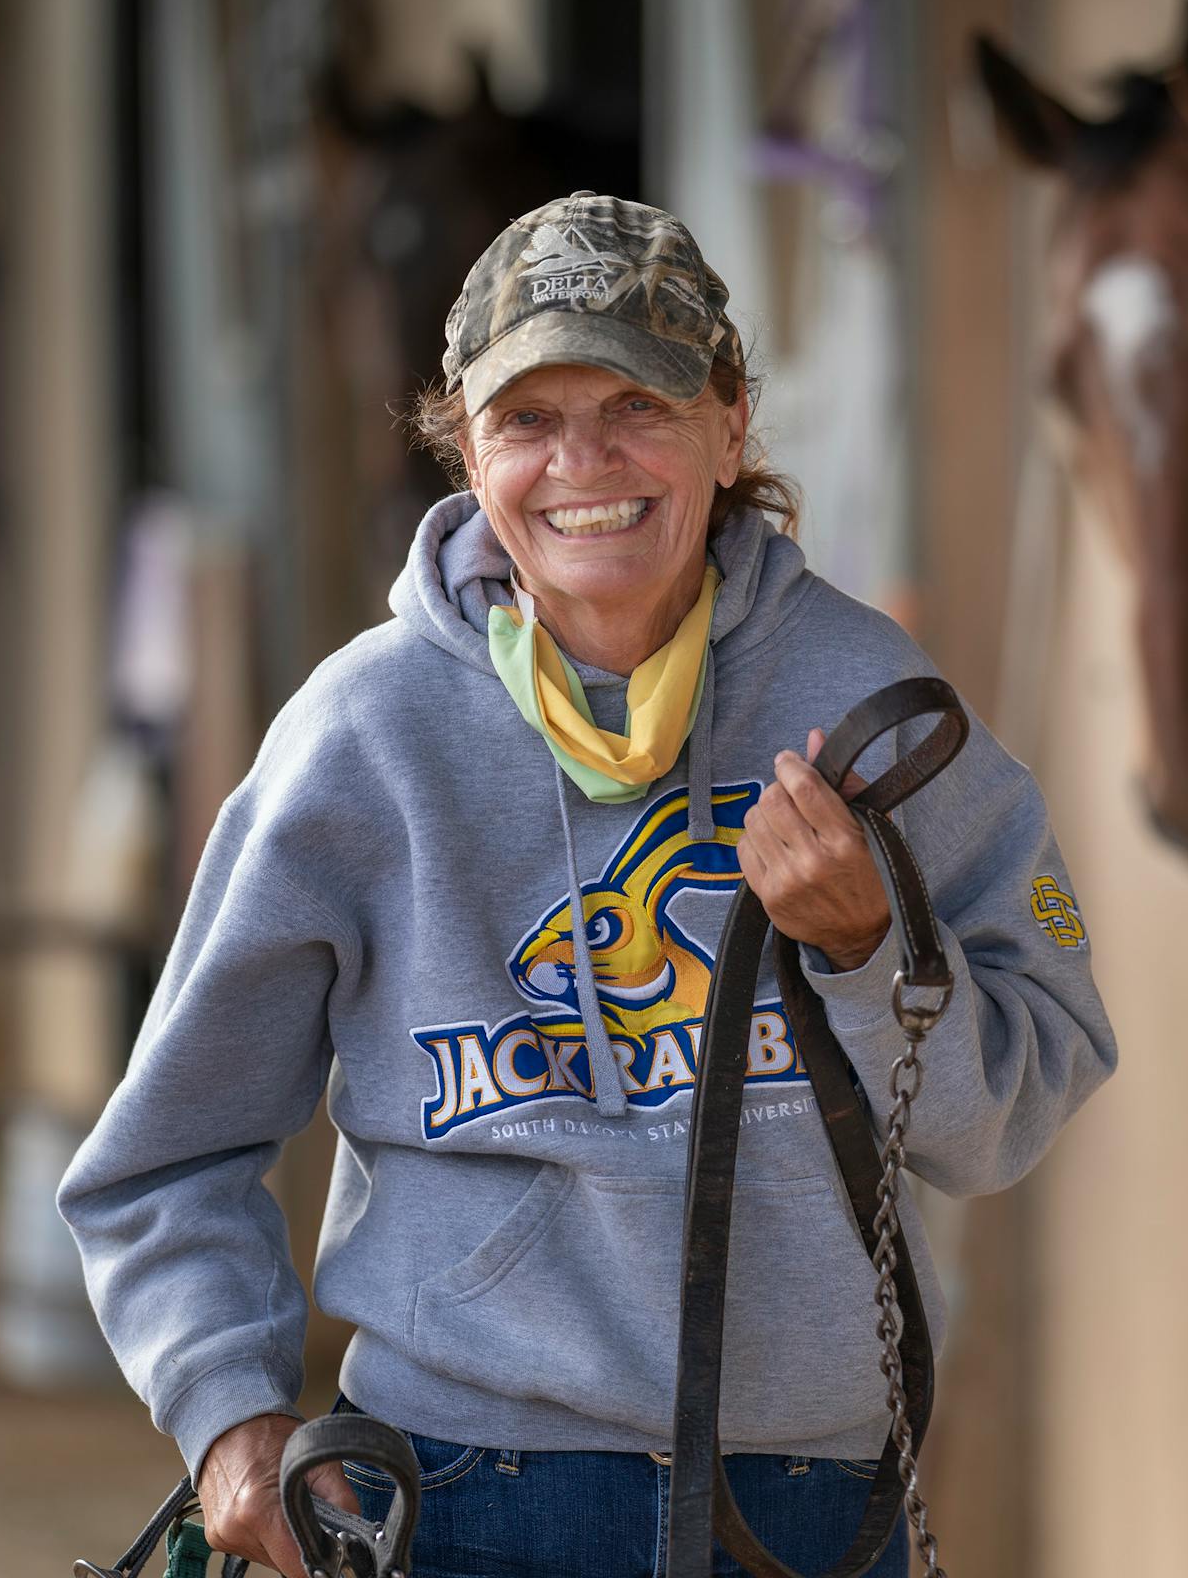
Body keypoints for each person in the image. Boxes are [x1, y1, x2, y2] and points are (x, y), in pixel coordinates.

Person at [59, 191, 1117, 1578]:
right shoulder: (359, 739)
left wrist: (872, 955)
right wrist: (228, 1414)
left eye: (637, 406)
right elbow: (165, 1158)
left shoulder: (879, 713)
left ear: (730, 425)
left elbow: (1011, 1112)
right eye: (529, 421)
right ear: (466, 448)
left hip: (810, 1506)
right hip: (462, 1499)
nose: (585, 462)